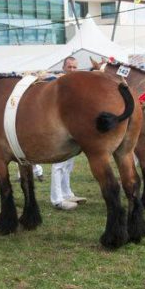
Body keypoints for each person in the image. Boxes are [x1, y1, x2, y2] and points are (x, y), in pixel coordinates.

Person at [50, 56, 86, 210]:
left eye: (74, 67)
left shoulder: (78, 83)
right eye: (69, 67)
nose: (72, 70)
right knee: (58, 164)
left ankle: (67, 193)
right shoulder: (57, 83)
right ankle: (57, 199)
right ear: (64, 67)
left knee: (68, 165)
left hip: (73, 128)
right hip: (59, 128)